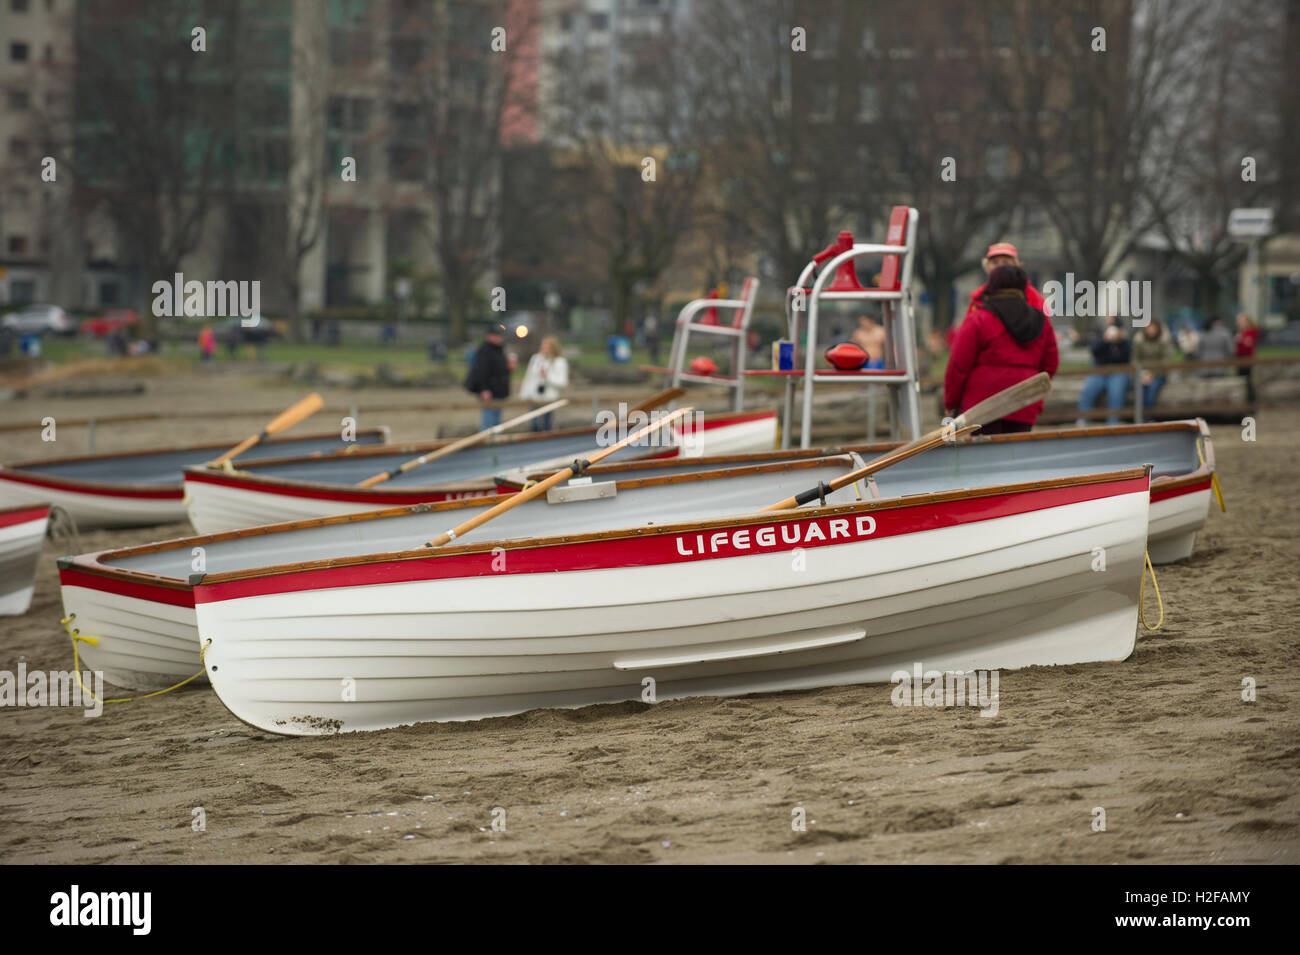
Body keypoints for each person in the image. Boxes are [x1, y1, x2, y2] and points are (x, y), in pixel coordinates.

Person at [944, 264, 1058, 434]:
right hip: (1024, 402)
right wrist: (1034, 393)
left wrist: (951, 404)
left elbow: (958, 366)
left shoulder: (979, 318)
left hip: (982, 406)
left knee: (984, 458)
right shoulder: (1041, 321)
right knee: (1015, 457)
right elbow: (1050, 364)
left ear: (991, 285)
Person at [1077, 319, 1131, 425]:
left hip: (1118, 372)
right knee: (1088, 389)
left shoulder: (1125, 343)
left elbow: (1125, 357)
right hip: (1101, 372)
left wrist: (1119, 340)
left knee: (1116, 392)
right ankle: (1083, 418)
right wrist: (1106, 341)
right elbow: (1094, 352)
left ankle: (1113, 422)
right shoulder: (1102, 340)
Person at [465, 322, 510, 430]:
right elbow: (481, 371)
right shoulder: (485, 351)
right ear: (489, 336)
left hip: (498, 390)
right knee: (488, 423)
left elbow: (500, 371)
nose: (500, 338)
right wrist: (484, 389)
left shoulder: (499, 350)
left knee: (496, 423)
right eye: (497, 335)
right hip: (490, 391)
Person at [518, 335, 568, 432]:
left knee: (546, 425)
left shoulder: (560, 362)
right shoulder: (536, 358)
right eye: (543, 346)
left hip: (548, 399)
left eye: (547, 347)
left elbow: (562, 382)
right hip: (534, 397)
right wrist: (523, 394)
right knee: (534, 425)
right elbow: (528, 377)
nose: (544, 349)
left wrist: (547, 377)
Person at [1132, 319, 1172, 409]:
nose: (1151, 330)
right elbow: (1135, 360)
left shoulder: (1163, 341)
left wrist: (1153, 374)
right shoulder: (1139, 341)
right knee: (1139, 391)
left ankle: (1147, 417)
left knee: (1152, 390)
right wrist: (1142, 373)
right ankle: (1142, 418)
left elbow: (1166, 360)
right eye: (1149, 328)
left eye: (1153, 328)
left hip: (1158, 374)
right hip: (1142, 374)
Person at [1234, 312, 1259, 403]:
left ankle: (1251, 402)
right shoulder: (1241, 332)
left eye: (1240, 320)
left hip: (1246, 360)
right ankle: (1246, 401)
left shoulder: (1249, 332)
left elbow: (1247, 348)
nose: (1238, 322)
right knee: (1242, 381)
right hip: (1240, 360)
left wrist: (1240, 342)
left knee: (1248, 381)